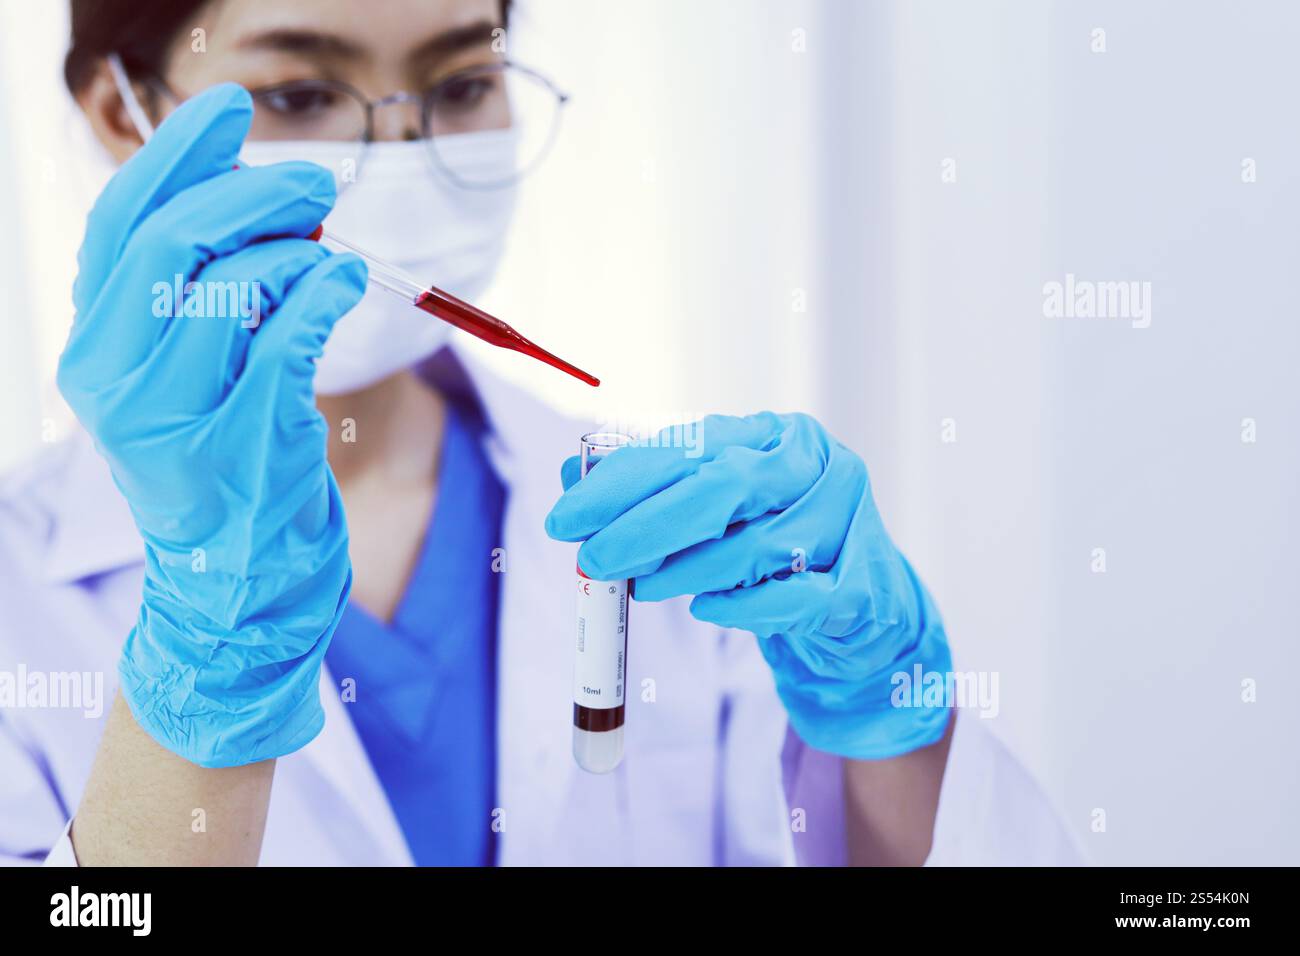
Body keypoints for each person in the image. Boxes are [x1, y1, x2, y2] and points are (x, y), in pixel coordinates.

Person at [0, 0, 1079, 866]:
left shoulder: (662, 525)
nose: (401, 150)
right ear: (122, 110)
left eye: (463, 82)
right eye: (301, 91)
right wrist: (203, 664)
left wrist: (885, 714)